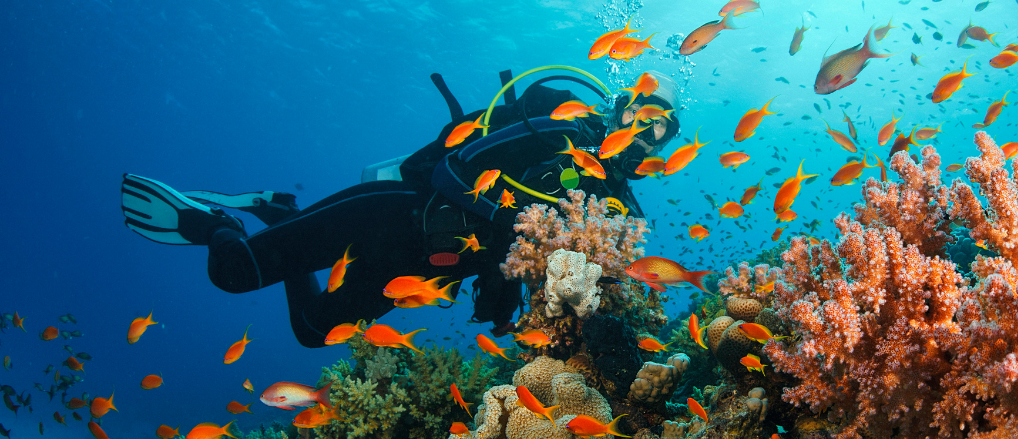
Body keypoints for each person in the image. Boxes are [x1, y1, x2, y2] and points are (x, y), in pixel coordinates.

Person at [120, 69, 682, 348]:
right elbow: (452, 170)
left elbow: (549, 267)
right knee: (232, 272)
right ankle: (216, 223)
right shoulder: (561, 129)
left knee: (314, 334)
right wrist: (514, 225)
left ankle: (281, 215)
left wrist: (506, 285)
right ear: (622, 108)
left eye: (664, 132)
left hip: (420, 271)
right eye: (647, 116)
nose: (650, 135)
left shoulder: (615, 208)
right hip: (396, 213)